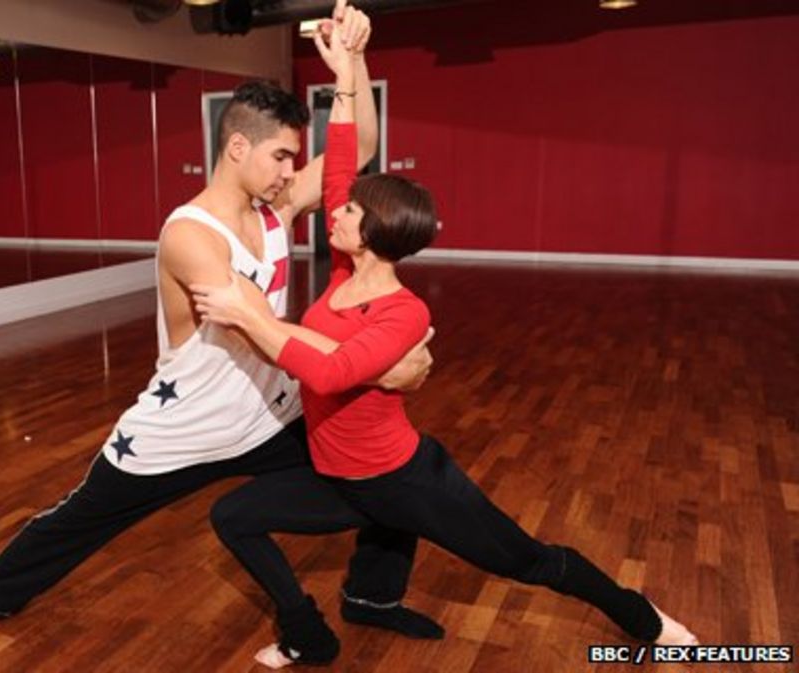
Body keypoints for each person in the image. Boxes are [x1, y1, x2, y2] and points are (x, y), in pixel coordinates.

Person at [0, 1, 443, 644]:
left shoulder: (278, 207)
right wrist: (376, 362)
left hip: (268, 412)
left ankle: (372, 596)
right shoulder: (189, 235)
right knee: (77, 520)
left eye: (294, 159)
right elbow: (252, 325)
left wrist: (355, 59)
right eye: (281, 156)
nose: (292, 172)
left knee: (390, 475)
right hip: (186, 424)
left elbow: (362, 148)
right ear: (237, 147)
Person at [190, 18, 701, 669]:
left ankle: (642, 616)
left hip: (405, 479)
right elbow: (343, 161)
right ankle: (344, 613)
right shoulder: (344, 271)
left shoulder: (405, 312)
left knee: (527, 560)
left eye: (349, 211)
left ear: (373, 234)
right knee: (234, 515)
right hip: (337, 475)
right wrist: (346, 74)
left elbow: (331, 373)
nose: (333, 209)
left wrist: (249, 312)